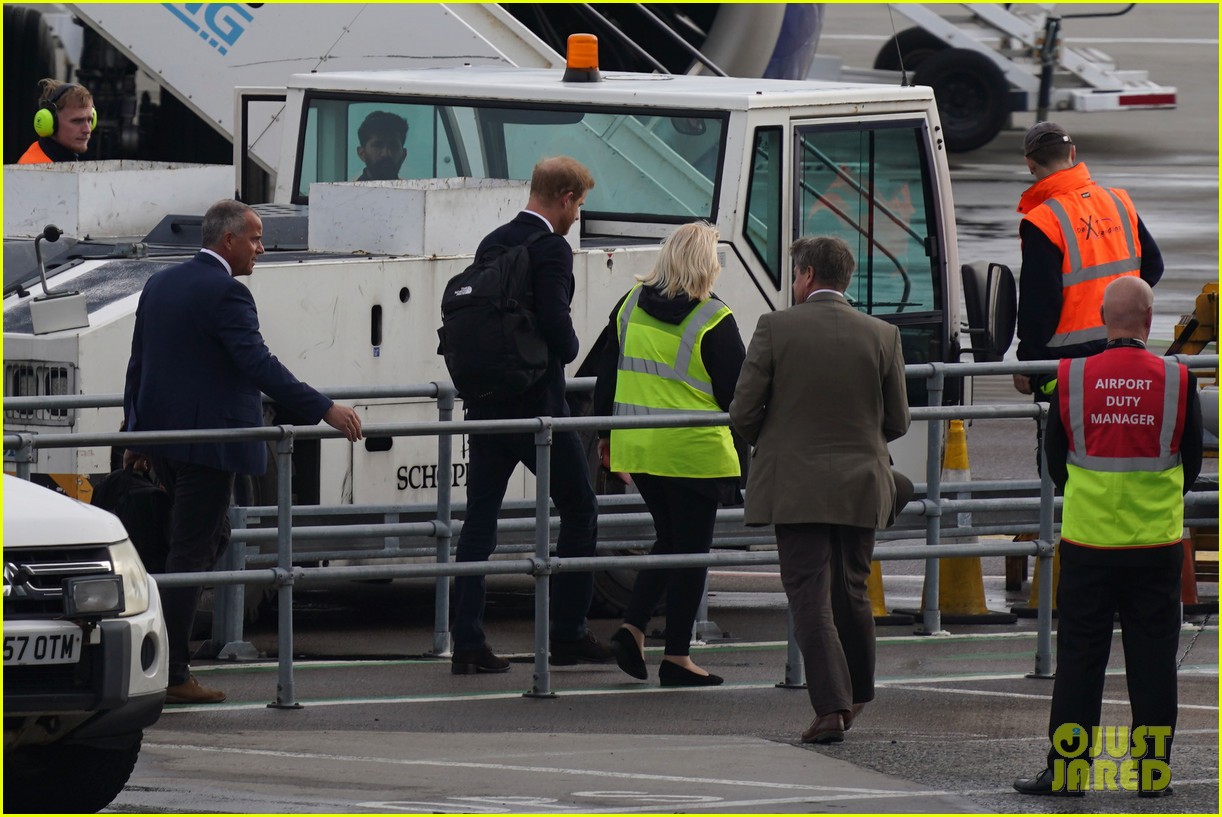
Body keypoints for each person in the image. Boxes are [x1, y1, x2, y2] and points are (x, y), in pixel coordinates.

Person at [123, 199, 363, 704]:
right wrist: (324, 409)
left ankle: (160, 659)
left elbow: (139, 364)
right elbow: (259, 364)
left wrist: (137, 436)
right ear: (227, 240)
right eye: (254, 238)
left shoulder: (161, 283)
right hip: (212, 447)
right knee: (190, 553)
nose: (260, 248)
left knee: (196, 543)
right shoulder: (227, 293)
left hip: (168, 441)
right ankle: (170, 671)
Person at [1013, 276, 1201, 798]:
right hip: (1156, 544)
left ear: (1102, 316)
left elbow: (1055, 462)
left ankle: (1068, 773)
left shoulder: (1072, 377)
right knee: (1154, 662)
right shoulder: (1177, 380)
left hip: (1088, 543)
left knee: (1079, 660)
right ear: (1149, 319)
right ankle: (1152, 775)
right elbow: (1189, 465)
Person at [729, 235, 910, 744]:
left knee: (809, 593)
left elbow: (743, 411)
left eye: (794, 275)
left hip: (796, 484)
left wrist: (780, 441)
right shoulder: (882, 334)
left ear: (807, 275)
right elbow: (897, 420)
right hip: (861, 483)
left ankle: (830, 707)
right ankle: (857, 695)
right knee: (851, 589)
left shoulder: (775, 328)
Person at [450, 156, 612, 674]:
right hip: (538, 410)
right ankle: (568, 633)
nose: (577, 215)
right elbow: (558, 331)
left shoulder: (494, 240)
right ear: (565, 198)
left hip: (486, 407)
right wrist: (570, 344)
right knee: (581, 510)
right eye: (579, 204)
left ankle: (468, 644)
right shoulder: (552, 249)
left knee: (478, 524)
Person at [592, 222, 745, 687]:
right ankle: (677, 655)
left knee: (669, 541)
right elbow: (735, 393)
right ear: (706, 263)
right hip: (693, 453)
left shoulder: (629, 304)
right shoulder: (714, 317)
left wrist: (605, 435)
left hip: (640, 448)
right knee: (691, 552)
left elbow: (606, 373)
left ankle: (633, 629)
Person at [1012, 121, 1163, 400]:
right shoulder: (1118, 201)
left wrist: (1028, 360)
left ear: (1030, 164)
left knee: (1064, 439)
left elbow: (1040, 299)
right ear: (1072, 154)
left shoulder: (1043, 221)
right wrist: (1117, 308)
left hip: (1065, 364)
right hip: (1123, 348)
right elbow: (1153, 267)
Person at [19, 78, 95, 164]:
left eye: (90, 120)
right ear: (50, 122)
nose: (87, 130)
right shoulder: (33, 170)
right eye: (77, 121)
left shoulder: (61, 161)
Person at [354, 110, 408, 181]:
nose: (385, 153)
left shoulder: (413, 191)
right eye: (377, 146)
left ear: (404, 154)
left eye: (393, 146)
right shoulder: (348, 191)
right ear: (362, 153)